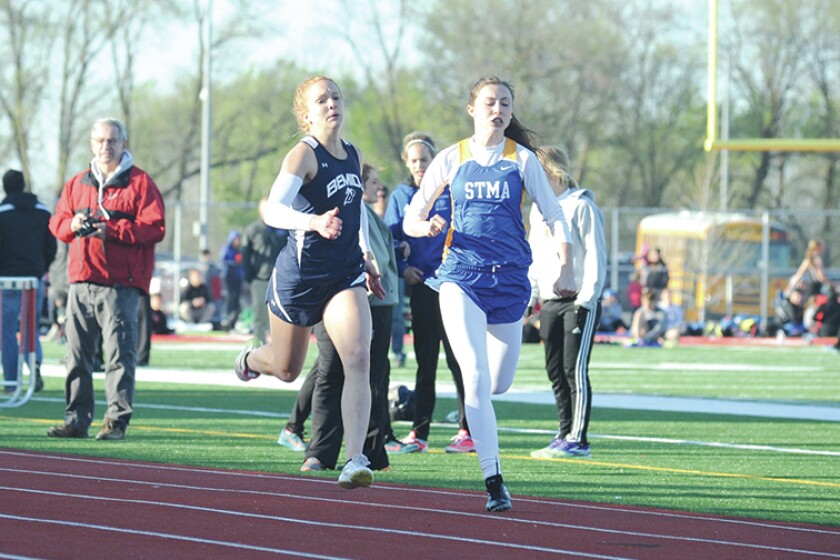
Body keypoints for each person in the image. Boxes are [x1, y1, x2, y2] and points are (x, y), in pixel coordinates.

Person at [402, 76, 576, 512]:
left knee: (498, 383)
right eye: (489, 103)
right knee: (475, 377)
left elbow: (555, 215)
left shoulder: (522, 161)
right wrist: (425, 227)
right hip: (461, 276)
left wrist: (566, 265)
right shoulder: (452, 158)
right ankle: (494, 480)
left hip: (510, 282)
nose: (497, 110)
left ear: (511, 111)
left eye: (504, 103)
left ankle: (487, 453)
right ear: (472, 109)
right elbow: (411, 217)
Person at [233, 75, 384, 490]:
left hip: (344, 275)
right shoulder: (303, 155)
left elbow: (356, 217)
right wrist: (314, 221)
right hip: (299, 278)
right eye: (322, 100)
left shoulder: (354, 155)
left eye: (336, 96)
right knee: (287, 368)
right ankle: (249, 360)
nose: (332, 104)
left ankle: (355, 460)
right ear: (306, 115)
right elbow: (273, 211)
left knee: (357, 357)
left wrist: (368, 258)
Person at [46, 117, 165, 440]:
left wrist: (110, 230)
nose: (105, 147)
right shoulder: (76, 183)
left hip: (119, 284)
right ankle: (76, 419)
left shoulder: (140, 183)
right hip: (81, 280)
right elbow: (56, 221)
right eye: (99, 141)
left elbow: (155, 228)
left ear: (123, 143)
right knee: (76, 356)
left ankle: (116, 421)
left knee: (118, 356)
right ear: (91, 144)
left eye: (112, 140)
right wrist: (72, 225)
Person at [279, 164, 400, 473]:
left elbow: (377, 254)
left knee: (370, 374)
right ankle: (319, 451)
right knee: (328, 370)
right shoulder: (337, 207)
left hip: (377, 301)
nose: (377, 188)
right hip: (335, 293)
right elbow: (276, 210)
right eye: (372, 182)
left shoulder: (370, 216)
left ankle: (368, 453)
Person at [384, 131, 473, 455]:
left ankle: (469, 430)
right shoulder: (401, 196)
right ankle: (419, 432)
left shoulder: (454, 191)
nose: (421, 165)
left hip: (453, 287)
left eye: (426, 159)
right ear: (407, 163)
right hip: (422, 289)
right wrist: (402, 266)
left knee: (459, 360)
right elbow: (390, 238)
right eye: (415, 160)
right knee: (426, 363)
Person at [527, 146, 606, 460]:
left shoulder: (582, 206)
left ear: (554, 171)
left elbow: (597, 254)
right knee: (555, 370)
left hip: (578, 302)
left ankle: (578, 438)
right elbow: (535, 257)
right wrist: (531, 295)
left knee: (574, 369)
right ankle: (562, 432)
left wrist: (587, 298)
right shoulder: (538, 210)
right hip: (549, 300)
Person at [1, 169, 57, 393]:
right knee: (30, 327)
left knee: (7, 329)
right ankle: (34, 364)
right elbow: (51, 246)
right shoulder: (42, 212)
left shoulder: (3, 213)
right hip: (34, 278)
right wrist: (42, 268)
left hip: (7, 278)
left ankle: (12, 379)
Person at [241, 198, 288, 343]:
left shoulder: (284, 227)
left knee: (282, 315)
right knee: (260, 315)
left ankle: (281, 346)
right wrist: (250, 277)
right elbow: (245, 256)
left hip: (281, 278)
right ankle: (260, 345)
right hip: (260, 279)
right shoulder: (252, 230)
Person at [220, 230, 244, 331]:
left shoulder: (240, 251)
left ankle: (234, 321)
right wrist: (234, 262)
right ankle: (226, 320)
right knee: (229, 299)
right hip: (229, 278)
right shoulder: (227, 249)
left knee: (236, 300)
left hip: (237, 279)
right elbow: (225, 261)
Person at [200, 248, 224, 330]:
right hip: (203, 293)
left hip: (213, 292)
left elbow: (217, 280)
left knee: (216, 307)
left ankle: (216, 324)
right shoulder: (201, 268)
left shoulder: (214, 268)